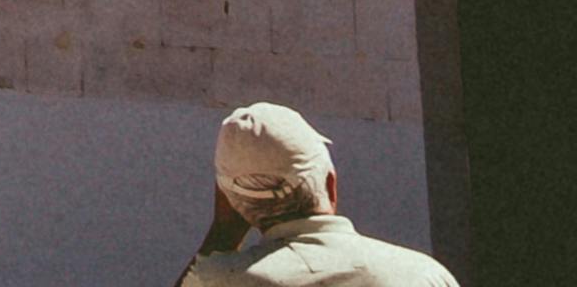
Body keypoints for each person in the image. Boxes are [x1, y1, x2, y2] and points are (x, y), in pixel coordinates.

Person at [176, 104, 458, 287]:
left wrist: (223, 232)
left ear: (233, 205)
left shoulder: (219, 280)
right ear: (330, 186)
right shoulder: (423, 275)